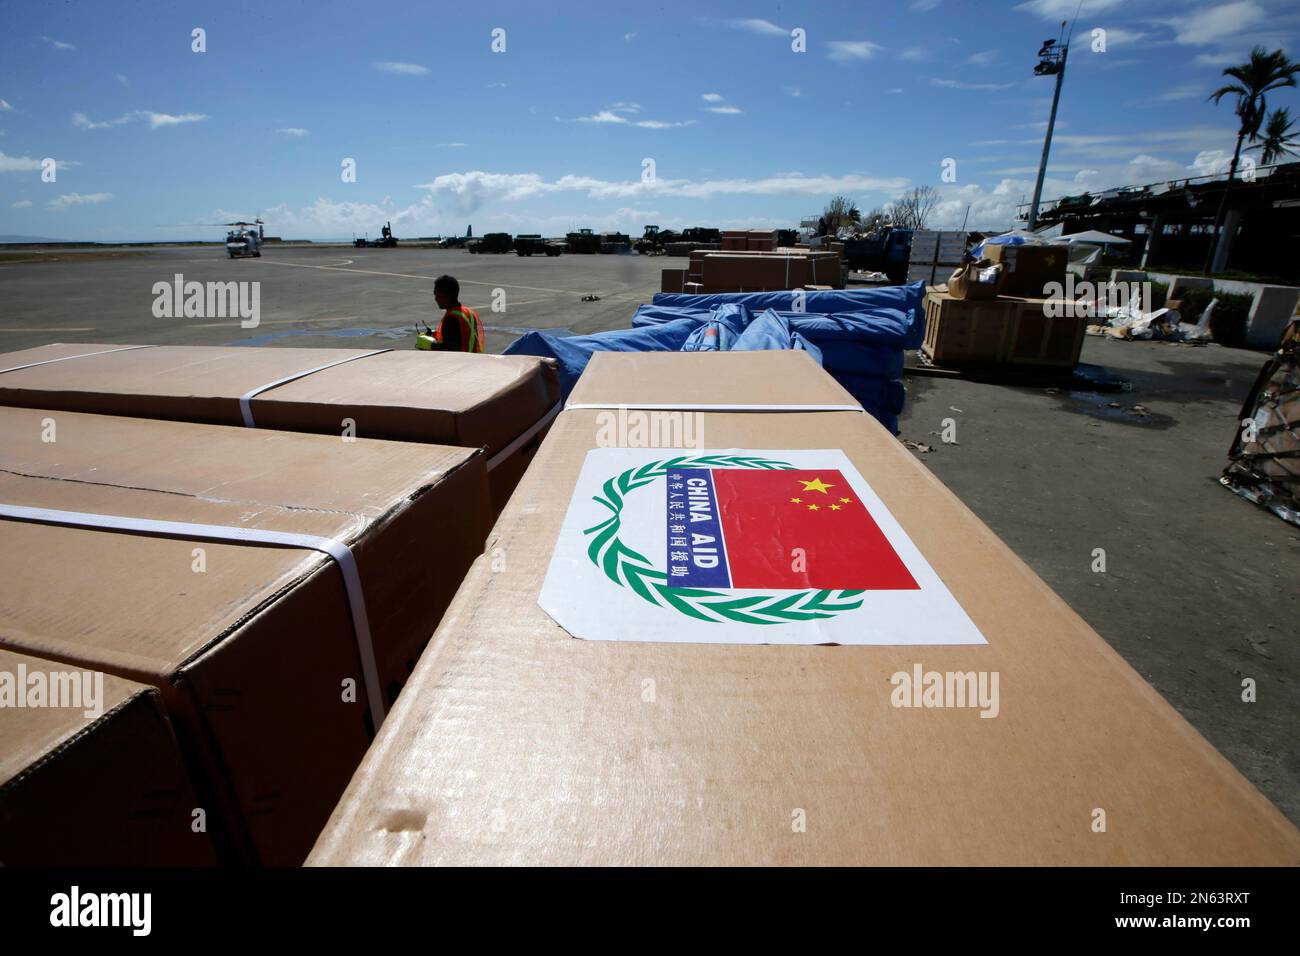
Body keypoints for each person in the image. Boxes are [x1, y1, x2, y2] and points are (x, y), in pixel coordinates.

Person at [420, 274, 484, 352]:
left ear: (447, 295)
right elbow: (464, 335)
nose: (436, 298)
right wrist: (436, 334)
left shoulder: (451, 319)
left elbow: (451, 349)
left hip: (461, 362)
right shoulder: (469, 312)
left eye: (437, 294)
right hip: (475, 360)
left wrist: (431, 345)